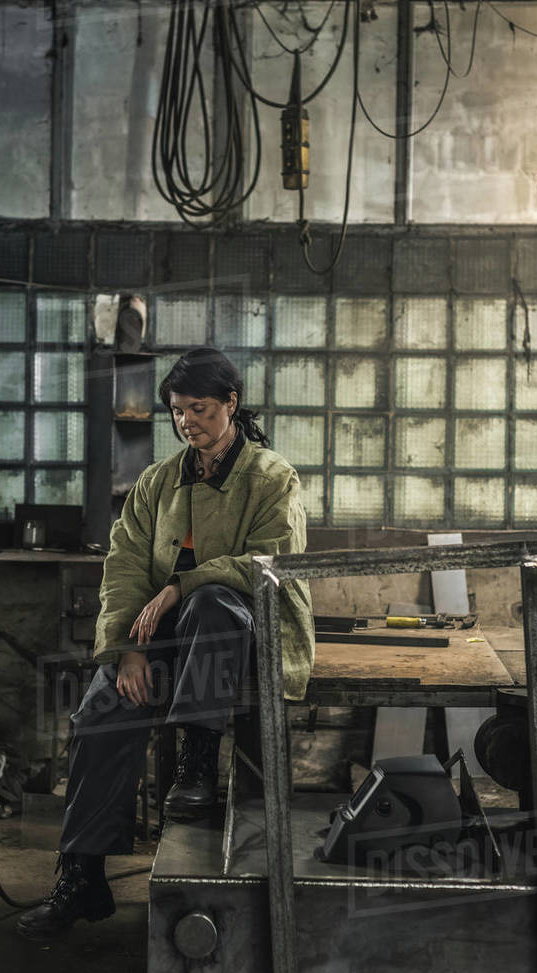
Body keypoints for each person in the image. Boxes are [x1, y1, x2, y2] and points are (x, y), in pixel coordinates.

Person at [17, 347, 314, 937]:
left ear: (231, 404)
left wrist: (182, 585)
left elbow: (270, 561)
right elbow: (125, 567)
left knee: (209, 603)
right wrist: (126, 648)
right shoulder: (158, 482)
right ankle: (82, 877)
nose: (187, 422)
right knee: (101, 710)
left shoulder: (272, 477)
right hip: (165, 636)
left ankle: (196, 764)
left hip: (242, 632)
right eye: (178, 412)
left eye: (200, 409)